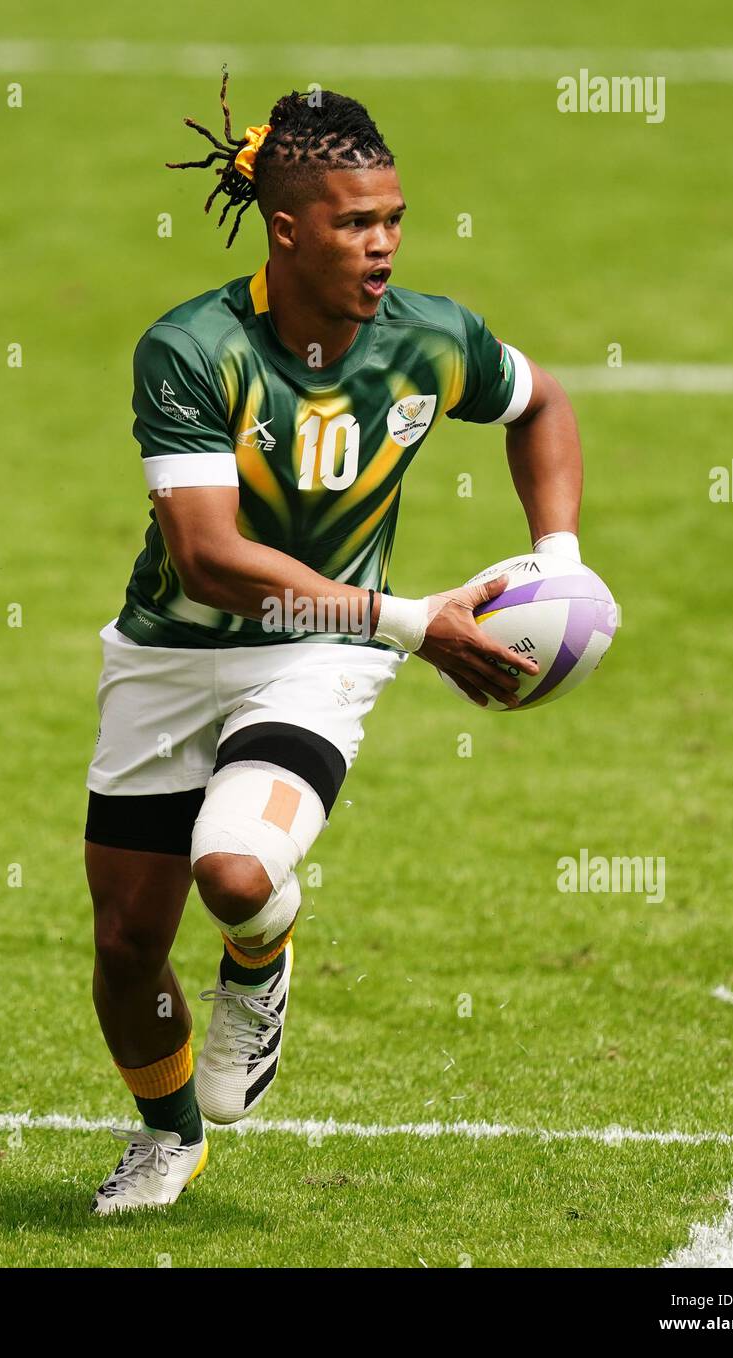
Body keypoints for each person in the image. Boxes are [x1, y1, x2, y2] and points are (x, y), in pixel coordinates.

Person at [85, 71, 582, 1212]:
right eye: (358, 222)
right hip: (171, 654)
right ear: (289, 227)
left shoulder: (429, 339)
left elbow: (541, 403)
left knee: (236, 869)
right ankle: (169, 1137)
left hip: (324, 649)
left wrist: (558, 558)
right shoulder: (192, 349)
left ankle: (261, 949)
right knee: (125, 943)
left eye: (395, 219)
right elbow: (209, 557)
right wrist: (413, 620)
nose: (383, 246)